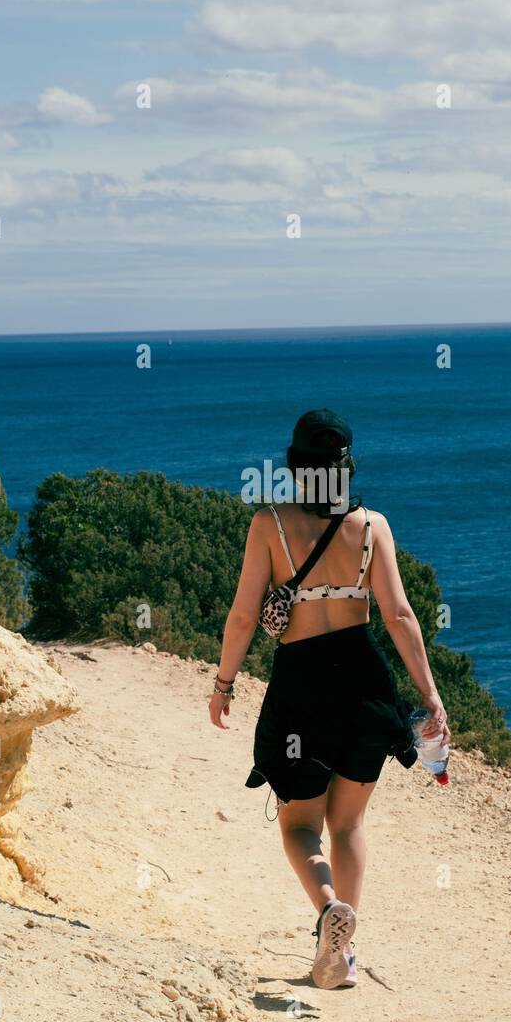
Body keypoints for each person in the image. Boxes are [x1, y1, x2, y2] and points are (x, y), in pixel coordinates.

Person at [208, 409, 450, 989]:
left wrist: (224, 682)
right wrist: (431, 696)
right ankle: (340, 957)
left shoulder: (269, 524)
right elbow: (397, 615)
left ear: (295, 468)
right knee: (348, 825)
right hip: (365, 688)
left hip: (301, 688)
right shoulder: (372, 527)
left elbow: (245, 615)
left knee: (298, 827)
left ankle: (326, 913)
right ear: (346, 467)